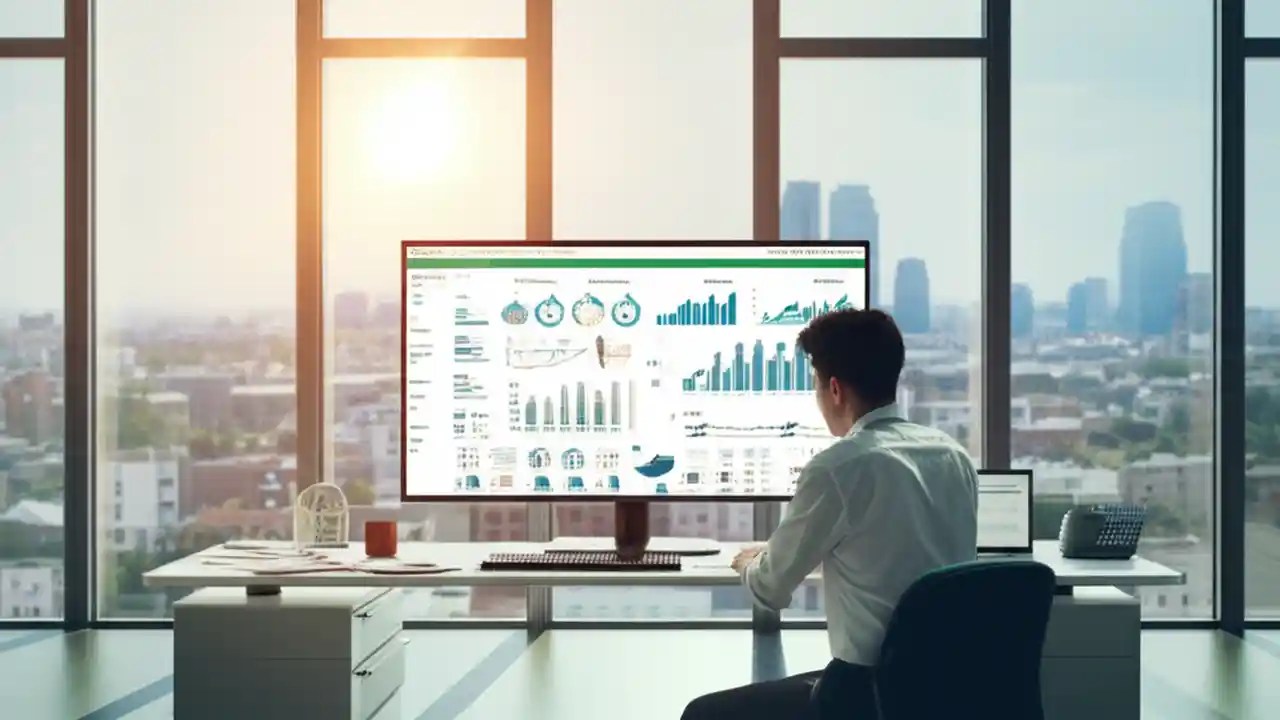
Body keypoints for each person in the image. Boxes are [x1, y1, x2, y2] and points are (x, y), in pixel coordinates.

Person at [680, 308, 978, 720]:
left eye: (816, 385)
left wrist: (750, 561)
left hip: (867, 693)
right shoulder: (953, 455)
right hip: (950, 686)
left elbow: (771, 588)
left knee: (705, 714)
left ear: (834, 389)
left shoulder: (840, 466)